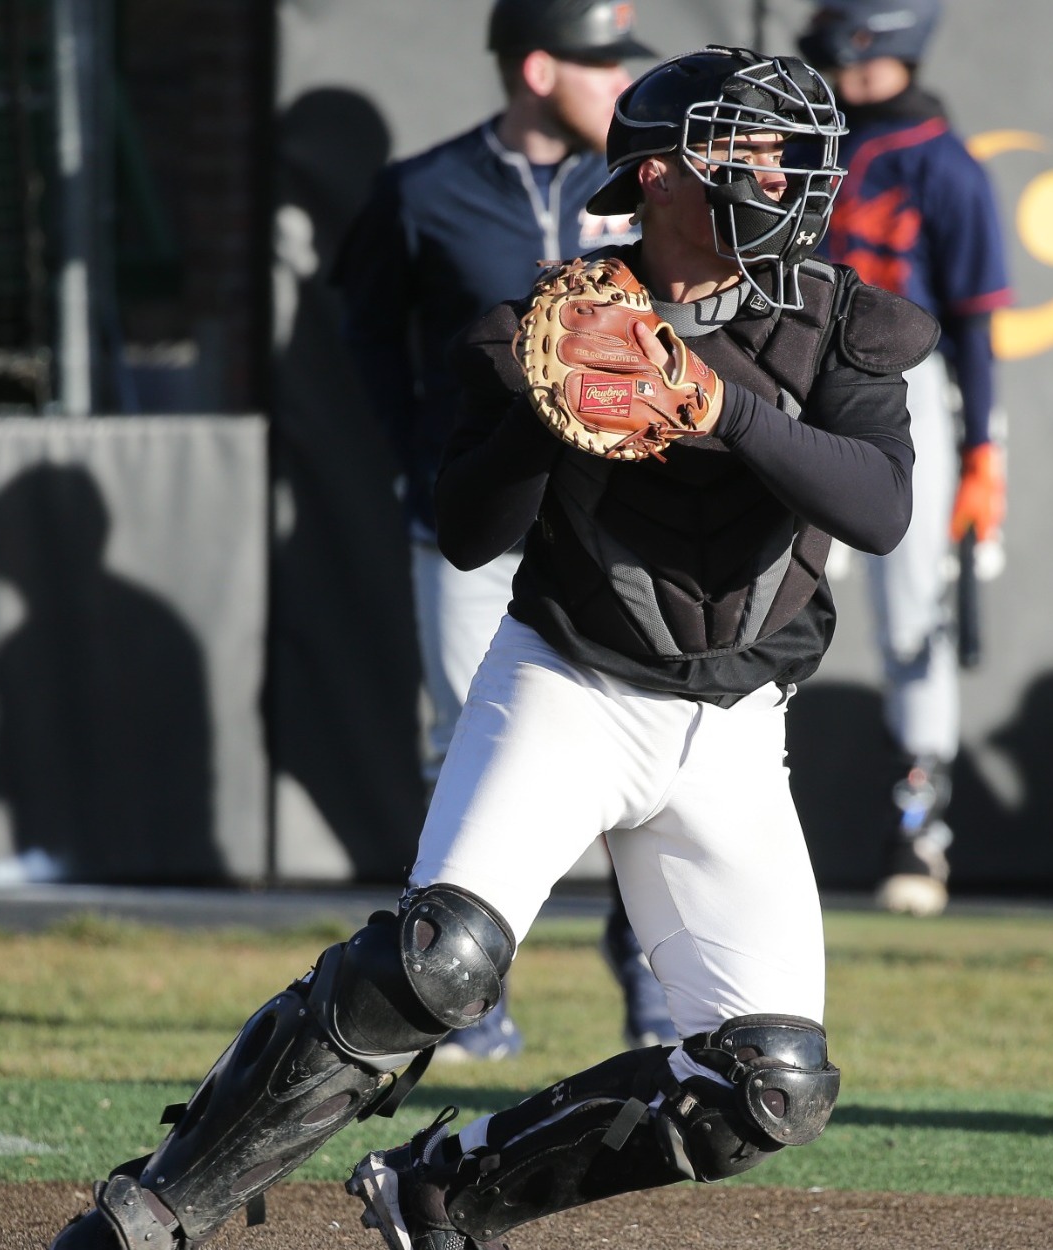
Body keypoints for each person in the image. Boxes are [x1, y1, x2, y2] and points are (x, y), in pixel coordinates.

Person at [334, 45, 933, 1250]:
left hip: (733, 726)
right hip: (570, 684)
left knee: (772, 1081)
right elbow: (465, 534)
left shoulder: (841, 321)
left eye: (785, 152)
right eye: (749, 150)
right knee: (435, 965)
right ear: (659, 175)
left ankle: (446, 1190)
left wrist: (719, 406)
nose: (782, 174)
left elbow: (877, 509)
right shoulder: (561, 316)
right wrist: (540, 419)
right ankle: (165, 1193)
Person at [332, 0, 672, 1060]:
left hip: (615, 530)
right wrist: (425, 462)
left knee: (640, 762)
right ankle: (459, 993)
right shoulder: (420, 192)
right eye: (597, 60)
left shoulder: (644, 193)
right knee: (466, 754)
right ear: (536, 66)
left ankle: (653, 991)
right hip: (475, 536)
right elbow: (368, 344)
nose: (619, 82)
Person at [798, 0, 1009, 918]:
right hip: (788, 378)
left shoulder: (941, 160)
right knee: (759, 584)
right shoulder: (804, 140)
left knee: (913, 613)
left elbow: (975, 323)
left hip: (906, 393)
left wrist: (986, 448)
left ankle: (920, 824)